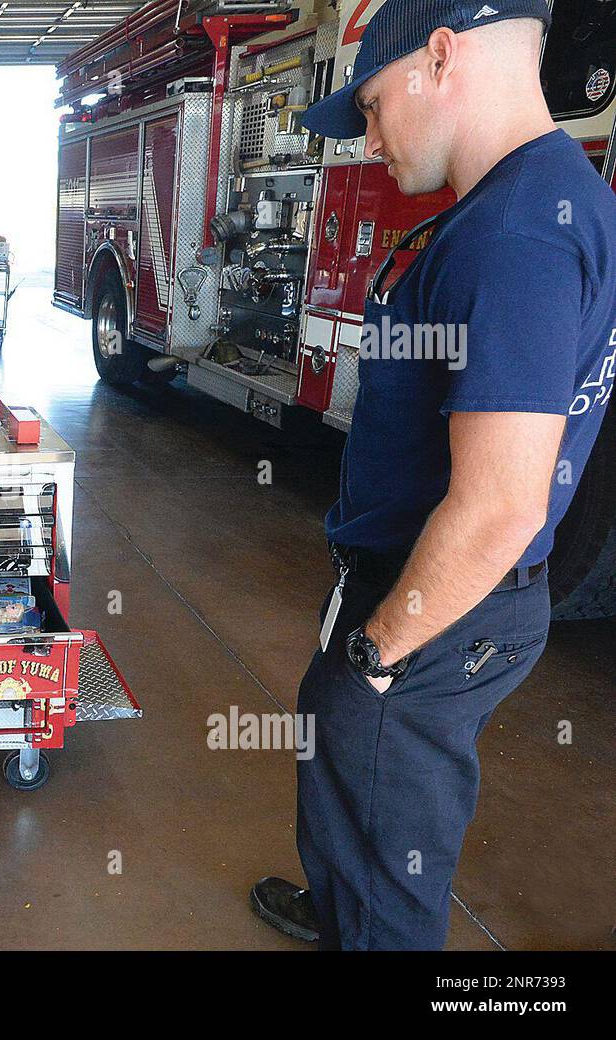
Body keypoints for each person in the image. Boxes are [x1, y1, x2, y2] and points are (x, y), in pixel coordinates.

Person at [250, 0, 616, 949]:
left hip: (441, 603)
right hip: (436, 588)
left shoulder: (517, 233)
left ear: (441, 56)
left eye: (370, 106)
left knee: (388, 829)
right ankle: (343, 906)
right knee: (343, 757)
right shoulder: (539, 198)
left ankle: (367, 922)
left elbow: (500, 505)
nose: (368, 140)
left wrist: (379, 653)